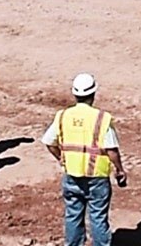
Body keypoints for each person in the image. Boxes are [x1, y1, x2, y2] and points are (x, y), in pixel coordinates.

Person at [41, 73, 127, 246]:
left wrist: (61, 158)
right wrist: (119, 169)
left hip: (71, 176)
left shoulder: (63, 116)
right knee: (98, 218)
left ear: (75, 94)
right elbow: (111, 150)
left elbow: (49, 142)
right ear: (93, 94)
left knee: (73, 215)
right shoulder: (102, 118)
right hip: (97, 177)